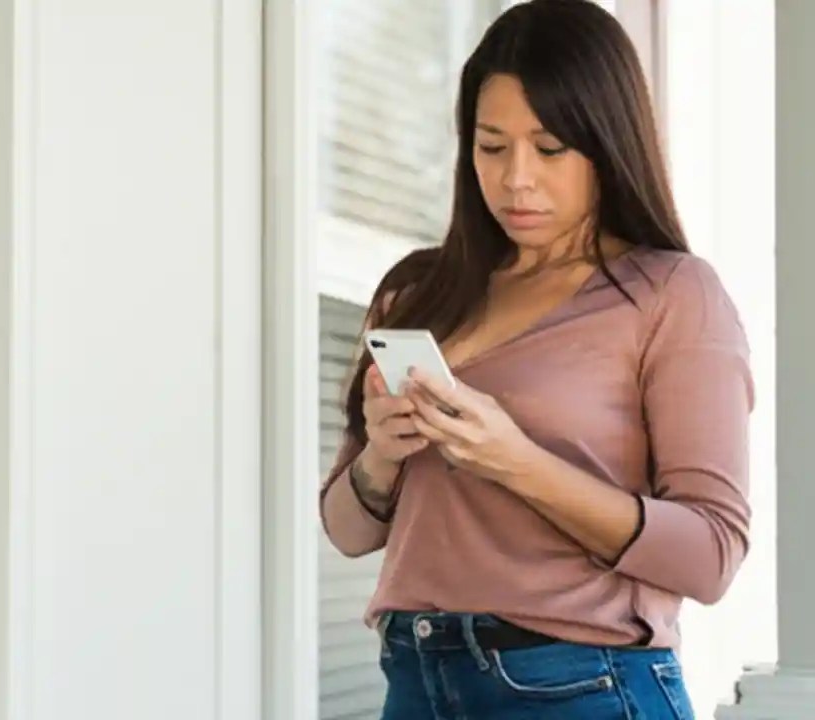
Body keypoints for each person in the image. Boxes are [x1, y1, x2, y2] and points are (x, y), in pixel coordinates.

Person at [318, 1, 754, 718]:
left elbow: (710, 556)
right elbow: (348, 528)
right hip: (415, 680)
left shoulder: (672, 294)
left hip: (580, 686)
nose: (516, 179)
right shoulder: (416, 292)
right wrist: (381, 460)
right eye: (492, 147)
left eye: (548, 149)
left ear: (607, 145)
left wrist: (513, 459)